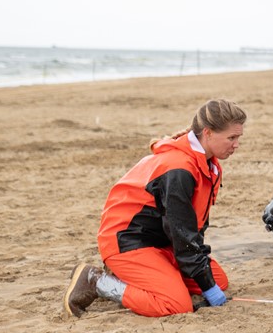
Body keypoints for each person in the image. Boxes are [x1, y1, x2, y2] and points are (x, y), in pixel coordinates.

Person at [63, 99, 247, 317]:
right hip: (128, 242)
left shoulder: (208, 163)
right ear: (207, 133)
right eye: (231, 138)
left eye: (238, 138)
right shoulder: (179, 168)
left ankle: (141, 277)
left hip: (162, 242)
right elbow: (182, 234)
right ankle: (97, 281)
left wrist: (206, 280)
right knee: (176, 305)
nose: (236, 144)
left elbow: (188, 230)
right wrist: (205, 285)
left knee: (219, 280)